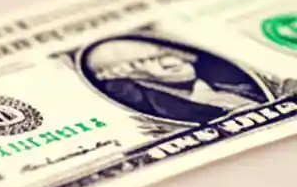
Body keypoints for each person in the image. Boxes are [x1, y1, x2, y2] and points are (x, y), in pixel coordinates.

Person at [84, 38, 265, 124]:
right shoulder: (169, 109)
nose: (172, 63)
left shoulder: (238, 87)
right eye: (143, 62)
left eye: (167, 54)